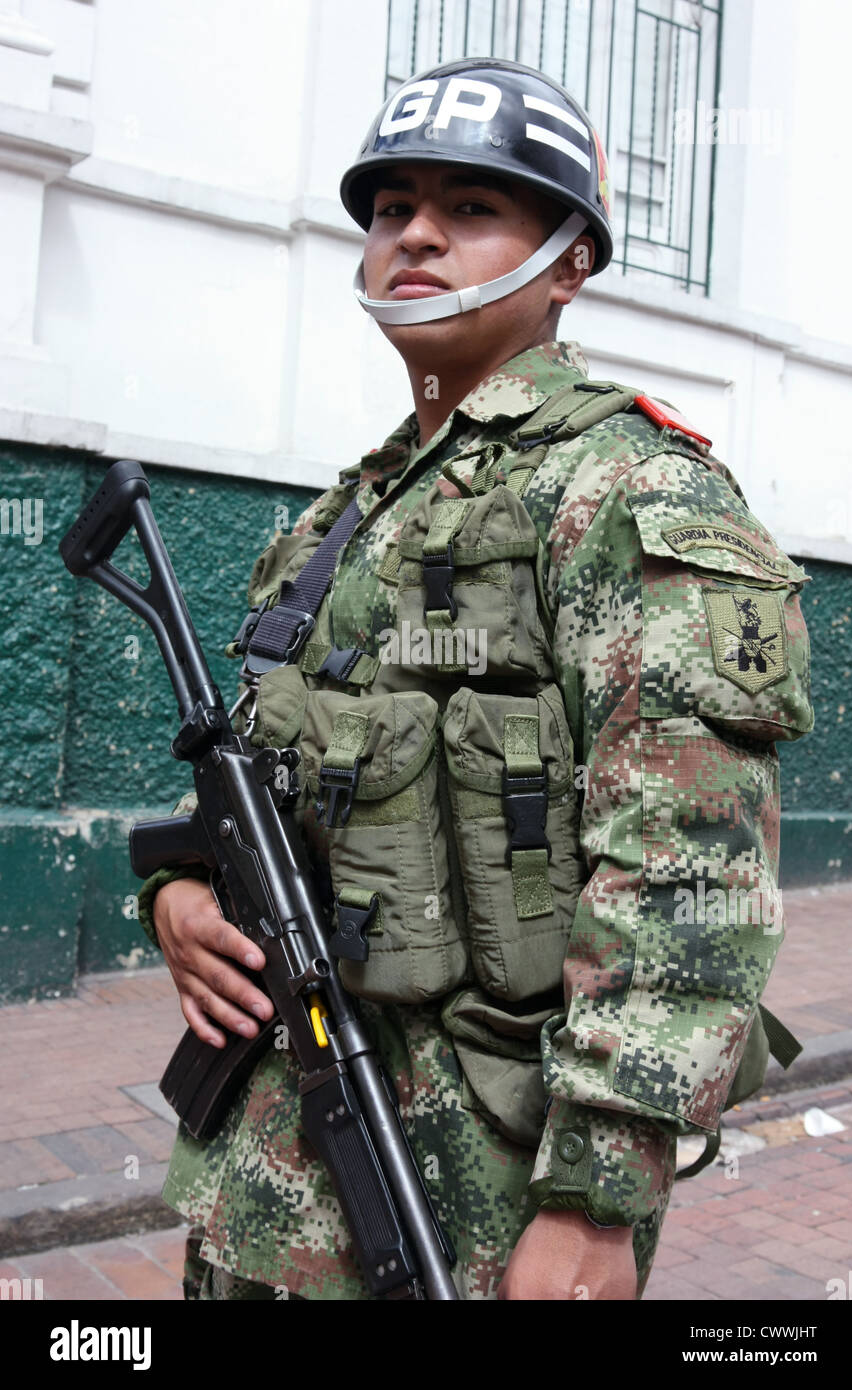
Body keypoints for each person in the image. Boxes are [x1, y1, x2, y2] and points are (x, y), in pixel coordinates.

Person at [137, 57, 813, 1301]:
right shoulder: (343, 512)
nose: (419, 235)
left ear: (570, 259)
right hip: (267, 1175)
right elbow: (254, 767)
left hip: (476, 1194)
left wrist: (600, 1203)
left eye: (473, 206)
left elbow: (687, 865)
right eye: (392, 208)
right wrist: (180, 897)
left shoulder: (628, 487)